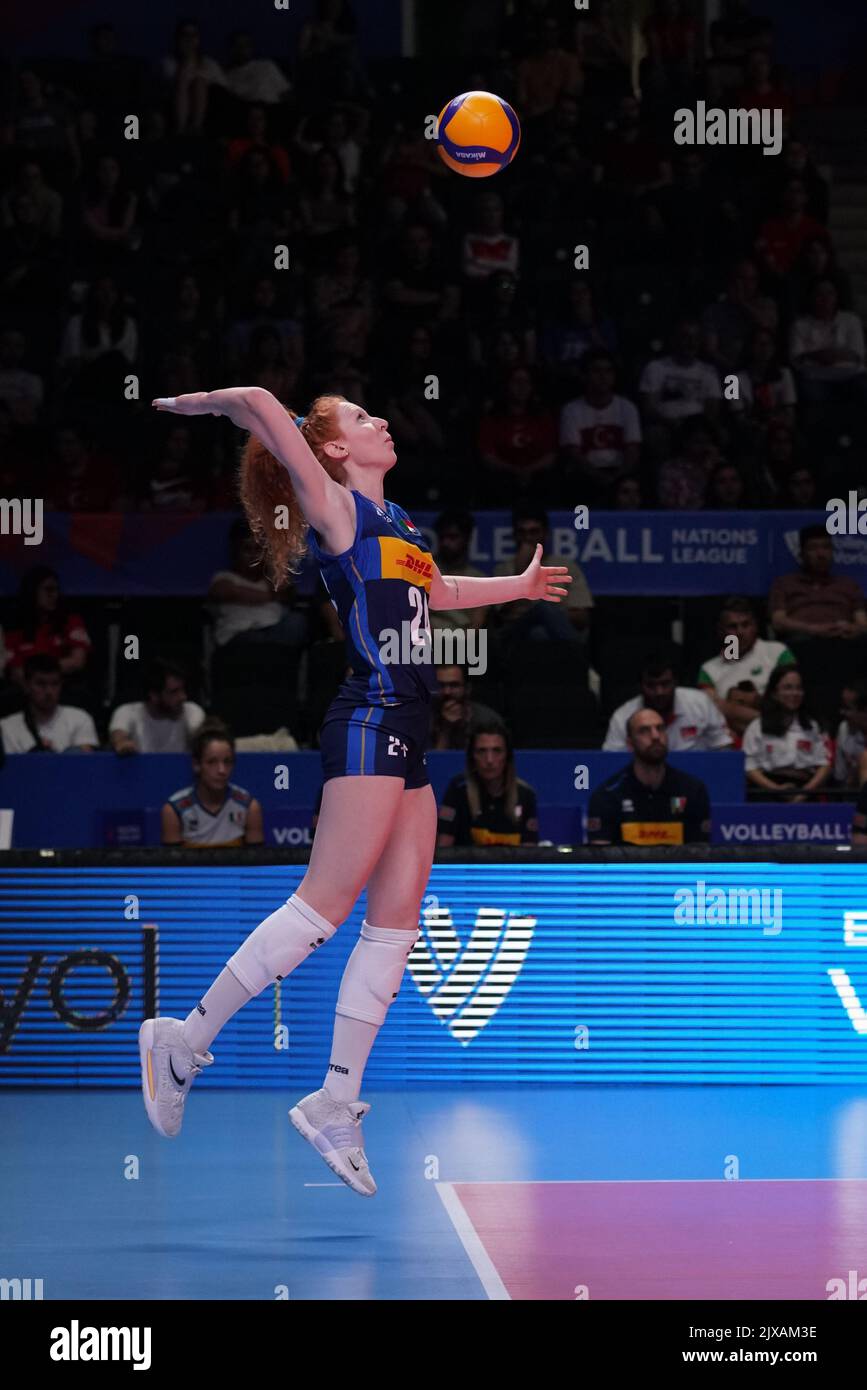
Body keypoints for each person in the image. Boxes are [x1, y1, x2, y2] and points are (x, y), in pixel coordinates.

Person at [138, 385, 571, 1196]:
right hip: (369, 718)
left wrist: (514, 587)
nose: (380, 421)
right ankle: (182, 1039)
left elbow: (436, 593)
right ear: (334, 450)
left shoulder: (399, 522)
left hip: (410, 735)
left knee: (394, 929)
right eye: (361, 419)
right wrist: (217, 404)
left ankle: (335, 1100)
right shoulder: (335, 509)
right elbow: (264, 405)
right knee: (321, 908)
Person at [588, 707, 711, 845]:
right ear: (630, 743)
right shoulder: (608, 795)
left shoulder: (692, 791)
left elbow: (700, 854)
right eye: (644, 731)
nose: (655, 736)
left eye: (660, 728)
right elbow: (601, 858)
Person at [493, 503, 592, 648]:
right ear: (514, 536)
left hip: (551, 634)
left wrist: (552, 614)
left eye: (534, 532)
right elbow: (504, 616)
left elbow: (582, 617)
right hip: (515, 637)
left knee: (540, 629)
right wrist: (520, 569)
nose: (527, 538)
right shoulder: (503, 570)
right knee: (541, 611)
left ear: (546, 534)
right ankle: (582, 665)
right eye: (522, 532)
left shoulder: (566, 566)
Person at [697, 597, 795, 738]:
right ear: (721, 631)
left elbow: (792, 694)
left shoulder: (778, 652)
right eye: (733, 626)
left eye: (745, 625)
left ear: (755, 626)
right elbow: (712, 709)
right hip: (733, 738)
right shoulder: (708, 669)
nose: (740, 632)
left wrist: (740, 708)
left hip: (782, 734)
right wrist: (766, 717)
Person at [208, 518, 308, 651]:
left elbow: (287, 592)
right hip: (239, 636)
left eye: (258, 549)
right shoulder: (225, 578)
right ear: (236, 552)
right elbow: (228, 591)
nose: (253, 555)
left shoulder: (270, 580)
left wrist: (271, 564)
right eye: (247, 549)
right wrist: (272, 596)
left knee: (296, 621)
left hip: (274, 634)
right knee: (260, 643)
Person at [436, 719, 539, 847]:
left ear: (507, 756)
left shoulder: (525, 794)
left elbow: (530, 852)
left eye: (497, 751)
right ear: (472, 757)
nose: (489, 760)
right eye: (481, 751)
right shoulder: (458, 790)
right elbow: (444, 849)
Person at [162, 720, 264, 847]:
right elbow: (172, 865)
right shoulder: (174, 810)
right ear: (196, 765)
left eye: (227, 762)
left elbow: (256, 865)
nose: (222, 770)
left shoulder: (249, 807)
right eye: (212, 762)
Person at [604, 653, 732, 752]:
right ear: (641, 686)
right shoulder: (623, 717)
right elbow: (610, 761)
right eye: (651, 685)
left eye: (665, 684)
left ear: (675, 682)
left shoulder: (700, 703)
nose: (659, 692)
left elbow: (723, 747)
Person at [743, 665, 831, 799]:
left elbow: (825, 764)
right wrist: (776, 790)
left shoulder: (813, 725)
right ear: (774, 693)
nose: (794, 693)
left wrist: (805, 792)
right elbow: (749, 766)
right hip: (767, 790)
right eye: (788, 688)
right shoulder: (757, 726)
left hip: (806, 790)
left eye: (798, 688)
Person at [769, 525, 867, 644]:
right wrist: (813, 629)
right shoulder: (784, 584)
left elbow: (862, 624)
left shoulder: (848, 585)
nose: (820, 554)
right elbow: (778, 622)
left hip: (841, 642)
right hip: (801, 643)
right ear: (802, 554)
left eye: (826, 547)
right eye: (813, 548)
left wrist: (852, 629)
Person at [5, 566, 92, 688]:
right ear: (32, 592)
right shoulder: (14, 628)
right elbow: (15, 672)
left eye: (56, 590)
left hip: (65, 689)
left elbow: (77, 661)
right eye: (48, 590)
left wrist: (39, 674)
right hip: (27, 691)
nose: (54, 595)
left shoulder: (71, 621)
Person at [0, 654, 97, 753]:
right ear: (26, 686)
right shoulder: (6, 727)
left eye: (55, 684)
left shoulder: (80, 718)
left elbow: (86, 763)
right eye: (41, 684)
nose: (49, 691)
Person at [110, 658, 206, 755]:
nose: (183, 697)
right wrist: (122, 743)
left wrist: (202, 737)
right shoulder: (127, 712)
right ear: (154, 695)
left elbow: (202, 737)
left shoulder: (192, 710)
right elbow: (119, 737)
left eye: (182, 690)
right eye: (174, 692)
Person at [429, 664, 500, 752]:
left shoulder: (487, 720)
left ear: (467, 689)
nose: (447, 692)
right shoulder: (423, 720)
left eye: (454, 685)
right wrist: (445, 731)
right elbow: (431, 764)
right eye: (440, 685)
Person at [833, 679, 867, 789]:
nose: (843, 713)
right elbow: (841, 778)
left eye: (848, 709)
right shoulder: (844, 729)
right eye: (842, 708)